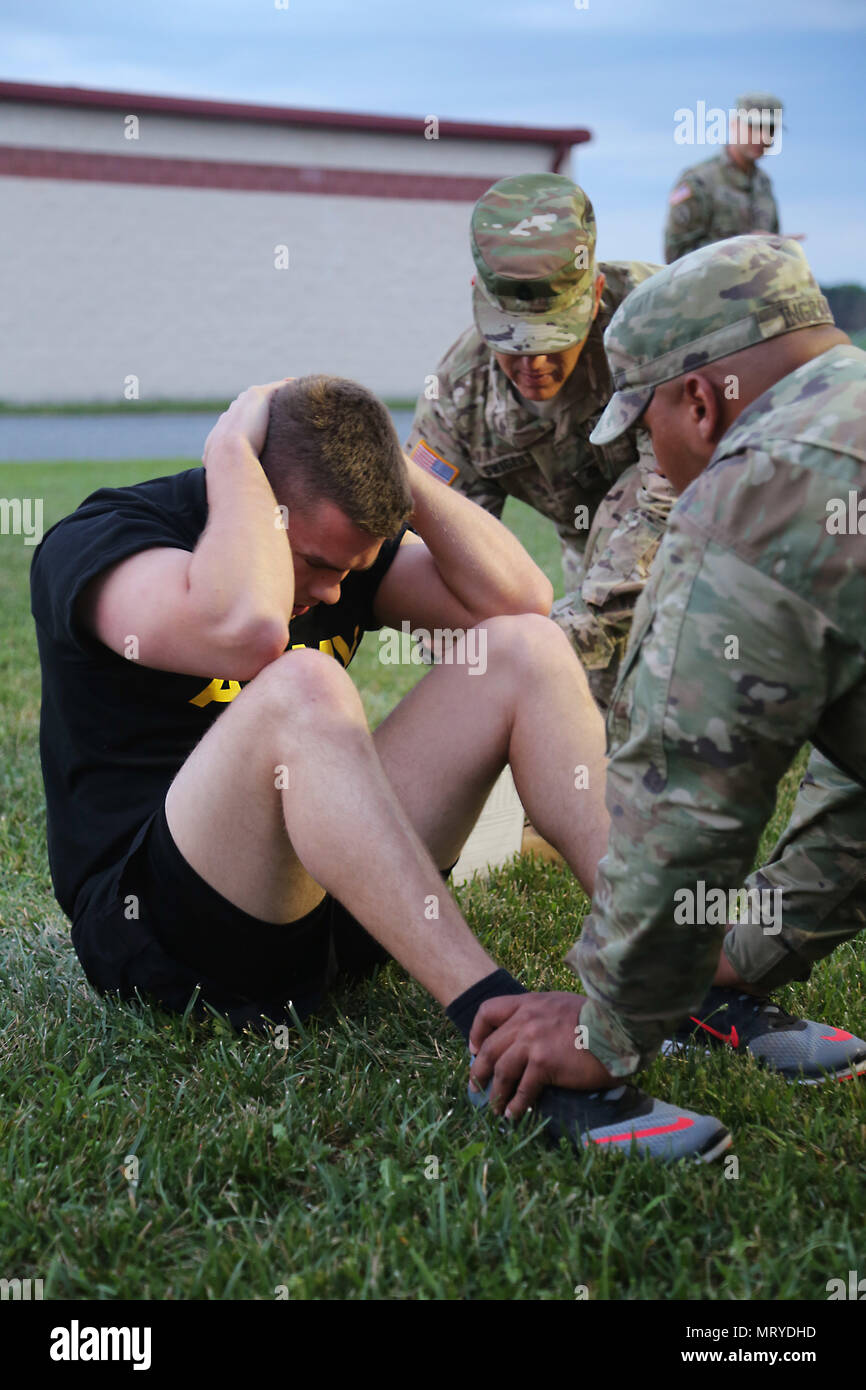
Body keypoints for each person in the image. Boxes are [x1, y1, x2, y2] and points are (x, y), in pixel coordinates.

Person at [30, 374, 730, 1161]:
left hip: (326, 919)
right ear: (261, 492)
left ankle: (674, 966)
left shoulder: (336, 551)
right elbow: (245, 630)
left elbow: (520, 602)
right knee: (301, 683)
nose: (333, 590)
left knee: (526, 651)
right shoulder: (106, 539)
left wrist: (401, 478)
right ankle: (498, 1024)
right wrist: (231, 448)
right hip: (166, 937)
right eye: (316, 563)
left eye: (349, 569)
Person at [468, 236, 866, 1123]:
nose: (652, 457)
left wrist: (605, 1025)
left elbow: (687, 800)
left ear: (698, 402)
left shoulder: (760, 492)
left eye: (643, 428)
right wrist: (748, 948)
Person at [408, 172, 674, 710]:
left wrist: (552, 643)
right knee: (589, 703)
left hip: (703, 513)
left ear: (595, 294)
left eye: (555, 337)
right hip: (588, 543)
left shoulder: (660, 326)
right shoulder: (458, 400)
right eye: (511, 340)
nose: (534, 364)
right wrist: (481, 666)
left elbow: (668, 498)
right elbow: (436, 557)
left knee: (680, 677)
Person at [664, 92, 783, 264]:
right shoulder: (699, 181)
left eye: (770, 129)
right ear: (734, 124)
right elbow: (676, 256)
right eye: (754, 127)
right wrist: (743, 246)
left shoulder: (763, 184)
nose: (762, 136)